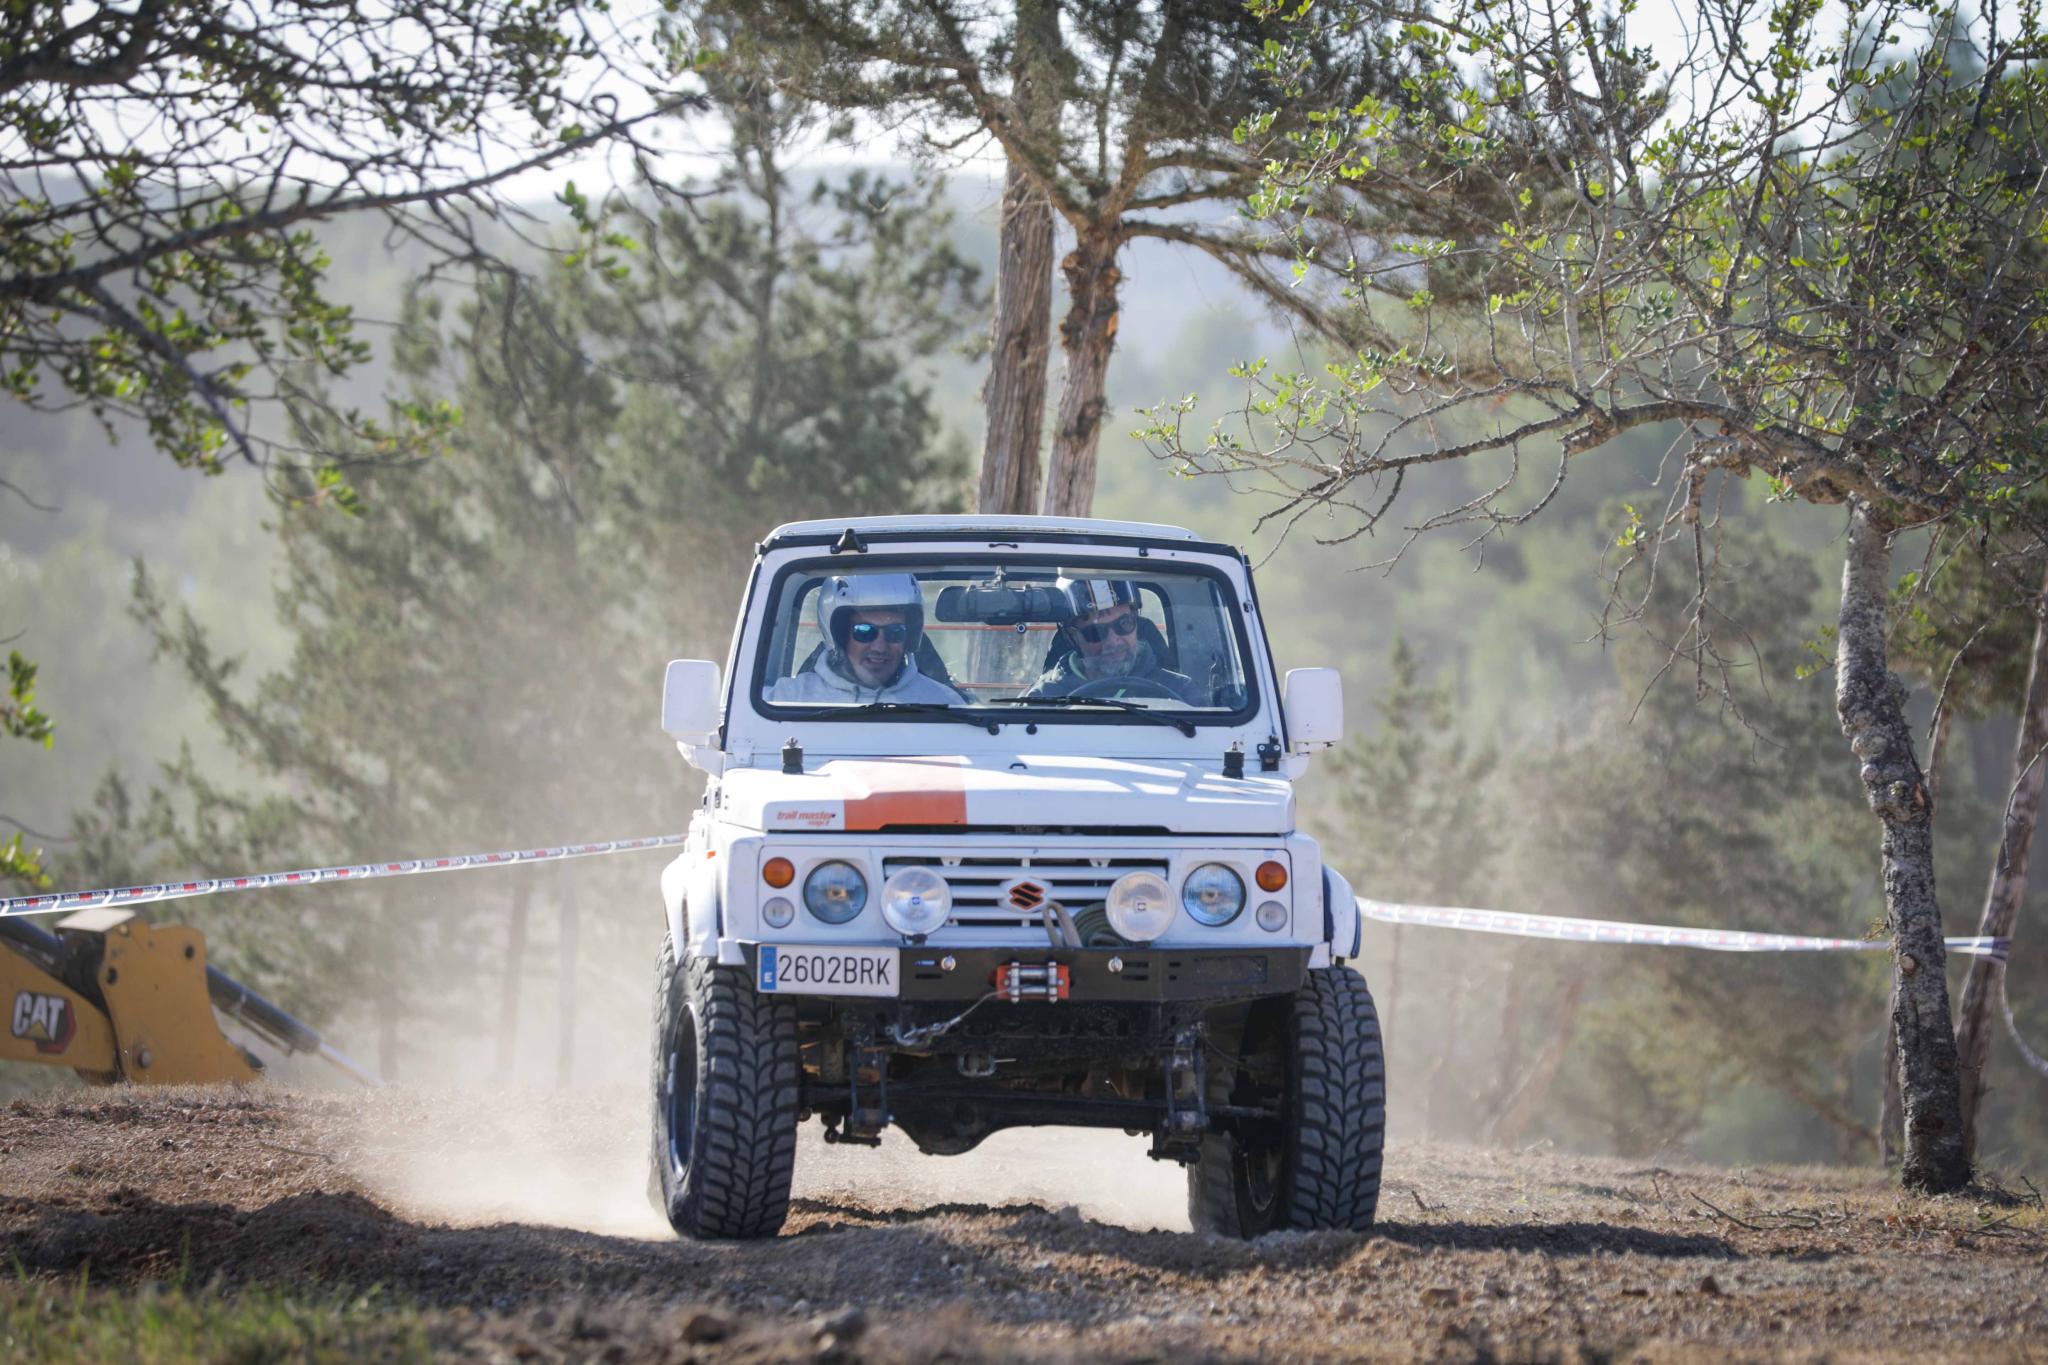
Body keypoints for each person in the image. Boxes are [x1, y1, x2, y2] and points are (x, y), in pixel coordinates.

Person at [767, 572, 964, 705]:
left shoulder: (942, 702)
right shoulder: (787, 699)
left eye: (895, 632)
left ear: (909, 637)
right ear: (841, 637)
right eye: (864, 631)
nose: (879, 646)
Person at [1025, 576, 1198, 703]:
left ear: (1137, 623)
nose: (1113, 641)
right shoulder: (1042, 698)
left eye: (1124, 624)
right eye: (1095, 632)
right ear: (1072, 638)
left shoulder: (1182, 692)